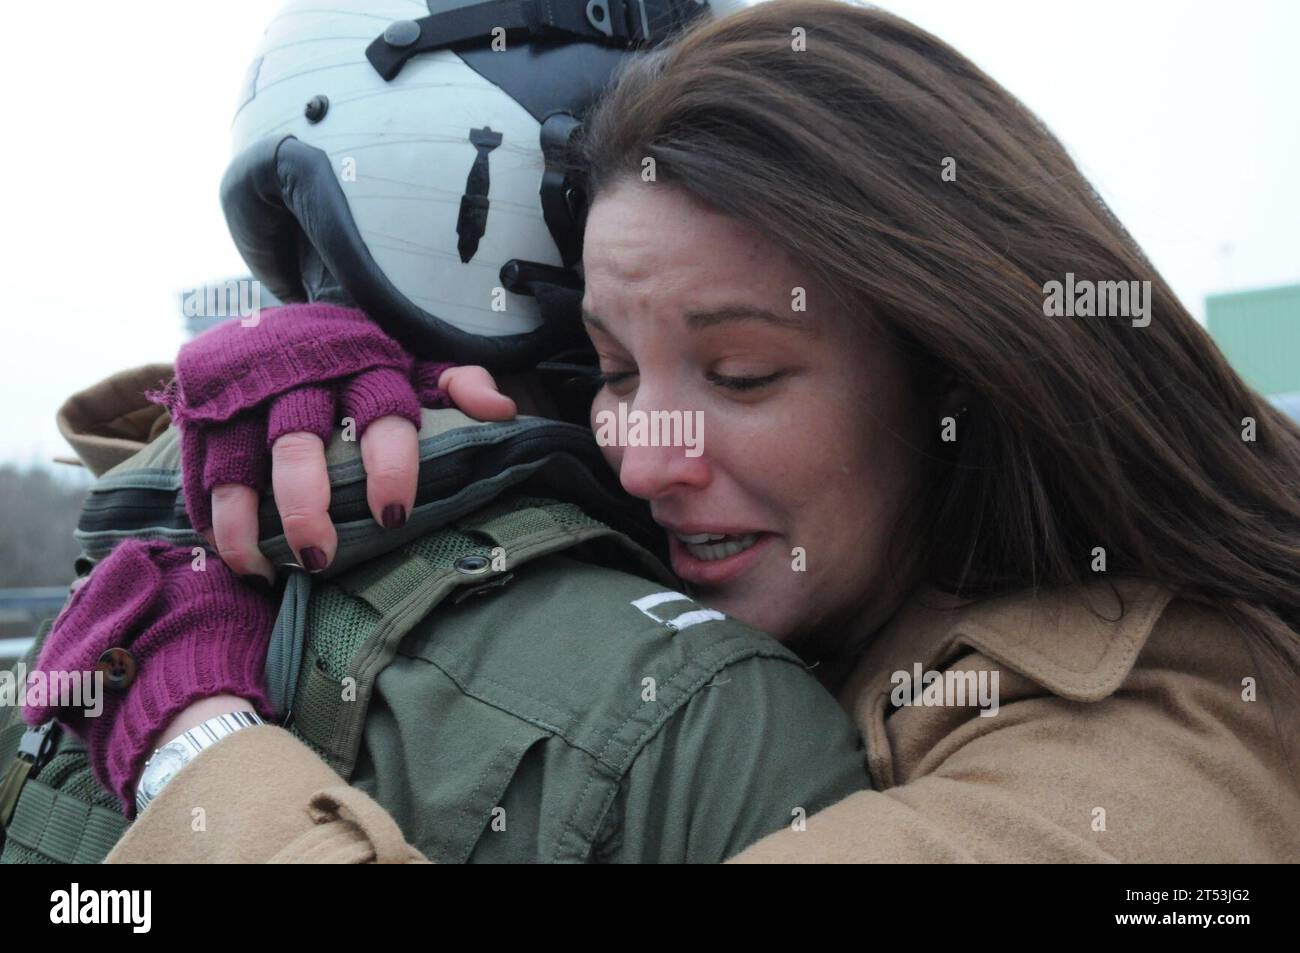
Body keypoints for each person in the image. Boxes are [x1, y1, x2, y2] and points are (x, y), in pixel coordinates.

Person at [18, 0, 1300, 863]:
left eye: (739, 371)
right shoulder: (842, 563)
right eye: (612, 370)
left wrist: (201, 742)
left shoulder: (1161, 755)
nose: (639, 454)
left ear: (961, 370)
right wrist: (317, 417)